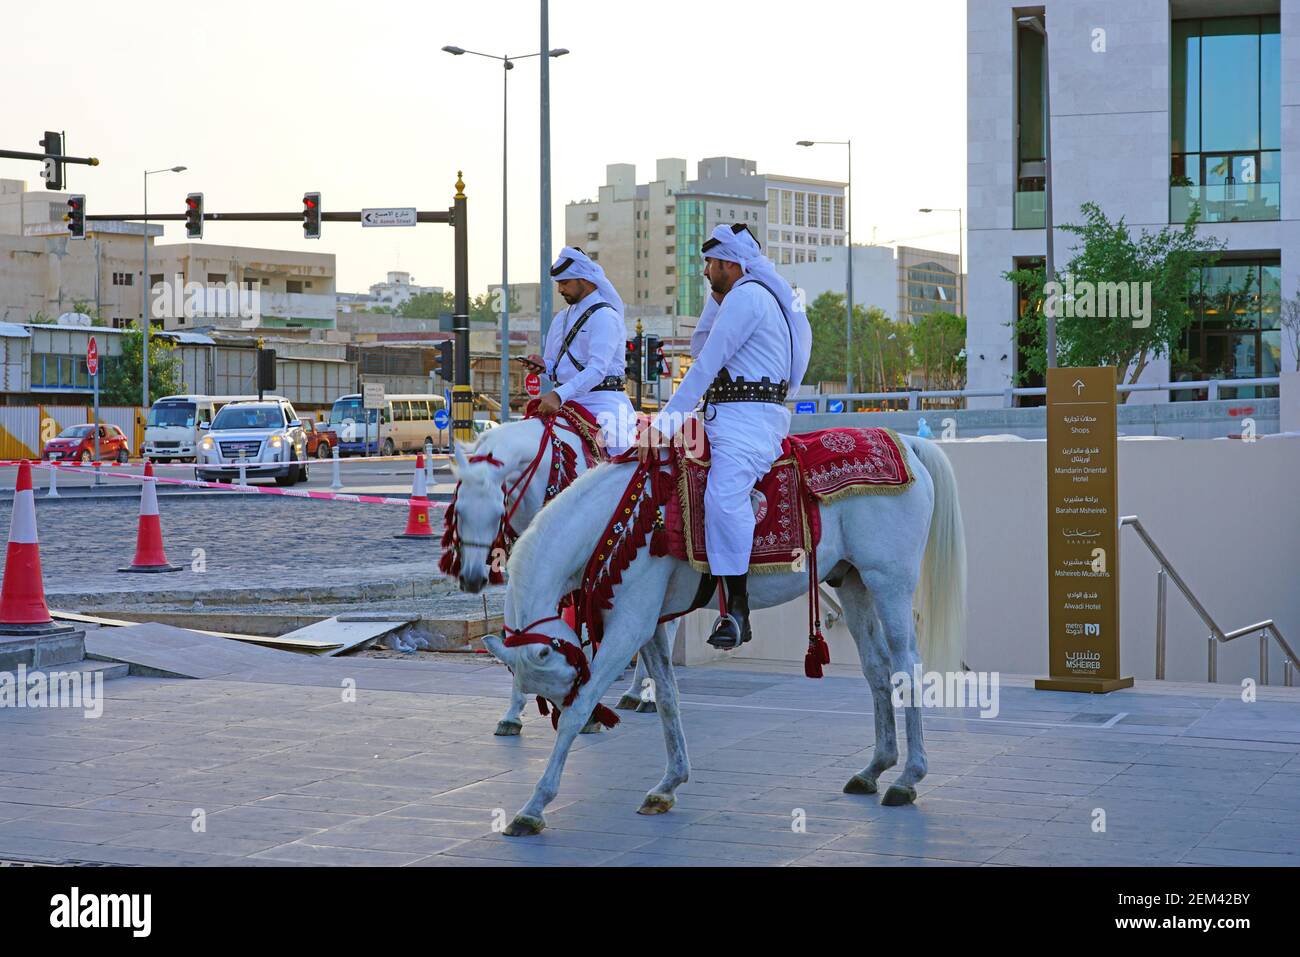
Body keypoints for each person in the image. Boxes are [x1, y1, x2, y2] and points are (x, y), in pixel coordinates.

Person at [641, 223, 811, 648]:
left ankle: (737, 611)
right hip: (722, 416)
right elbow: (702, 345)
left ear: (732, 263)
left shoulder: (750, 297)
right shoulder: (735, 298)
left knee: (723, 495)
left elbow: (703, 366)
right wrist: (715, 300)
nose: (706, 270)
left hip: (749, 421)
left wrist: (664, 423)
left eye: (713, 263)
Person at [536, 246, 636, 455]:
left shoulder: (605, 316)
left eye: (565, 283)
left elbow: (597, 369)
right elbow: (555, 366)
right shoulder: (561, 318)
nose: (560, 290)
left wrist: (558, 395)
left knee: (621, 466)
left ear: (585, 279)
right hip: (566, 402)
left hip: (604, 404)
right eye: (558, 284)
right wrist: (543, 366)